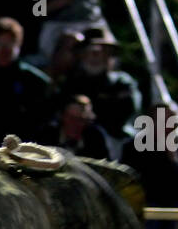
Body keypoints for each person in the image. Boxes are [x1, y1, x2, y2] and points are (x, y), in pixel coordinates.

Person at [59, 26, 142, 154]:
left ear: (109, 55)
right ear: (81, 54)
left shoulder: (123, 82)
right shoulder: (70, 82)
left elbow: (124, 113)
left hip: (115, 141)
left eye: (101, 51)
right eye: (90, 50)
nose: (95, 55)